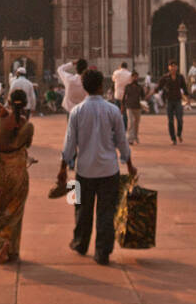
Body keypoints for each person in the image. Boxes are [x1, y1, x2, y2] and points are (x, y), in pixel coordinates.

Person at [58, 69, 135, 265]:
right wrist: (129, 163)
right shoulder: (113, 110)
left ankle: (80, 243)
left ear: (84, 88)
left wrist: (63, 168)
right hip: (110, 170)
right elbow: (121, 142)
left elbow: (69, 144)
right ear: (101, 86)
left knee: (80, 208)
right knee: (106, 211)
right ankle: (102, 252)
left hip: (83, 170)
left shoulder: (76, 111)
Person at [0, 90, 34, 264]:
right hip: (18, 171)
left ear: (9, 102)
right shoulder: (27, 125)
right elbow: (26, 144)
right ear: (25, 104)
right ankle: (9, 245)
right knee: (14, 210)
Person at [157, 59, 189, 143]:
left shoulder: (180, 77)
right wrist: (150, 94)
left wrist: (187, 99)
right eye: (171, 66)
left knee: (180, 119)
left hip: (178, 100)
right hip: (169, 101)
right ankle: (173, 138)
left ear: (177, 67)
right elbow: (159, 87)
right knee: (170, 121)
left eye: (174, 66)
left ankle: (179, 134)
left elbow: (184, 89)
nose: (173, 68)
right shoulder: (165, 77)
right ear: (168, 67)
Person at [122, 71, 146, 144]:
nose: (135, 78)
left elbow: (143, 97)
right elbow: (124, 97)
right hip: (129, 106)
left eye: (136, 77)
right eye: (134, 77)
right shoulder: (127, 87)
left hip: (137, 107)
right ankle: (130, 139)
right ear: (131, 77)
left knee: (136, 123)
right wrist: (122, 106)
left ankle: (136, 136)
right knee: (131, 122)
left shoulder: (140, 87)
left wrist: (144, 104)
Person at [111, 61, 133, 125]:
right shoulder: (129, 74)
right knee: (125, 112)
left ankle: (116, 125)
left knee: (117, 111)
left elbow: (113, 79)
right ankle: (124, 126)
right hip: (126, 96)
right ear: (127, 67)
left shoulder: (116, 72)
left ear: (120, 66)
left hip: (117, 94)